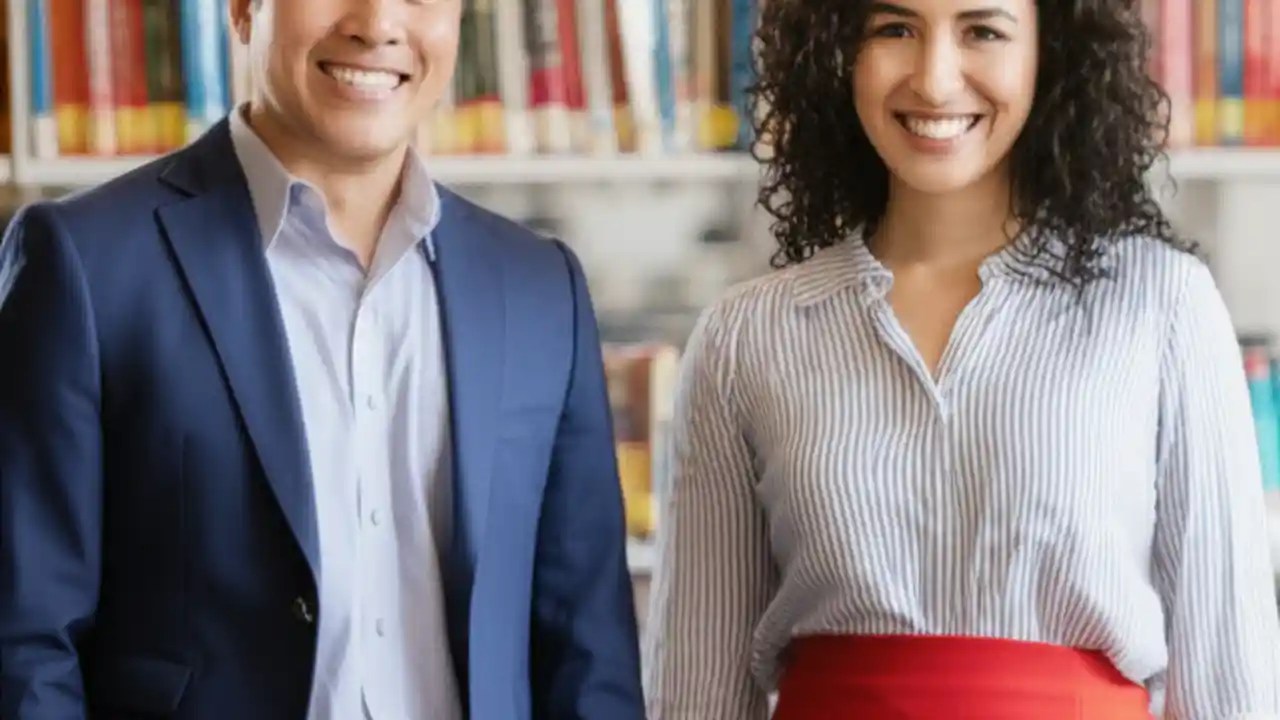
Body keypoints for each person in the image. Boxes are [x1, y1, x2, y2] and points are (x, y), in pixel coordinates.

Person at [0, 0, 644, 718]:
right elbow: (25, 640)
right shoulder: (87, 265)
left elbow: (589, 653)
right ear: (244, 10)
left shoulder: (538, 288)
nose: (377, 23)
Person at [643, 0, 1280, 718]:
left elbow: (1232, 682)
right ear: (838, 53)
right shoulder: (744, 339)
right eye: (894, 30)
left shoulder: (1163, 309)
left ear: (1052, 51)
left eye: (983, 31)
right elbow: (695, 695)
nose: (936, 81)